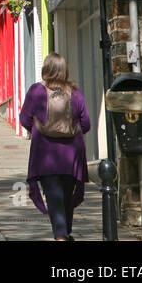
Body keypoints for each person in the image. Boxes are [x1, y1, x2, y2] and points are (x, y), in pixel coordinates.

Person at [19, 53, 92, 241]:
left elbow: (24, 119)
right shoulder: (74, 92)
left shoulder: (36, 91)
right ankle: (65, 232)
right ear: (64, 70)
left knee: (53, 196)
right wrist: (71, 131)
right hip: (71, 154)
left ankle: (60, 235)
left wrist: (39, 130)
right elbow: (86, 123)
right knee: (66, 195)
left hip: (45, 154)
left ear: (46, 69)